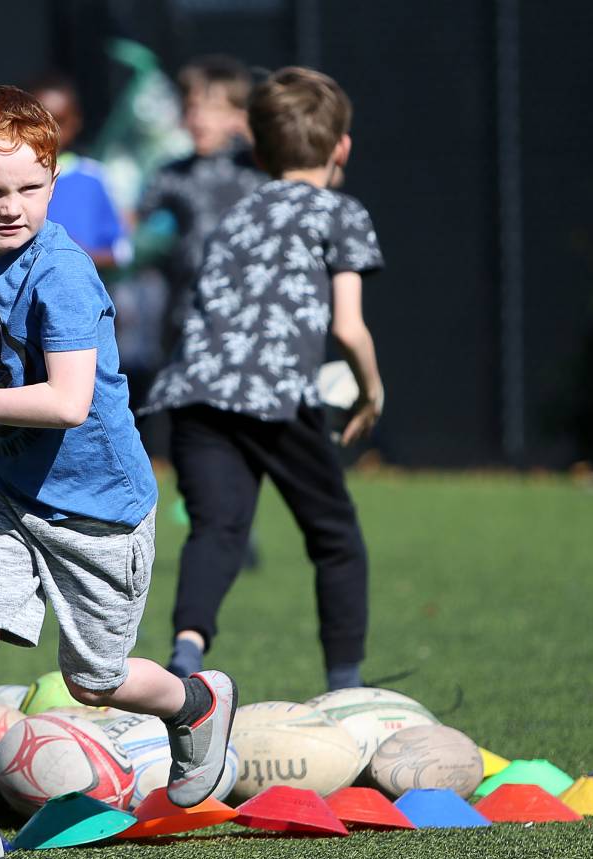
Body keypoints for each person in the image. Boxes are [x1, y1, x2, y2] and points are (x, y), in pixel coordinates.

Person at [0, 86, 239, 859]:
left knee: (94, 679)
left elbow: (68, 402)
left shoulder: (63, 274)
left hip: (97, 509)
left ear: (54, 181)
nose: (11, 208)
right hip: (13, 495)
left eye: (30, 189)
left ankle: (197, 701)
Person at [141, 67, 385, 690]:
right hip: (277, 395)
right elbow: (350, 328)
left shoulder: (236, 212)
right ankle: (346, 687)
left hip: (195, 390)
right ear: (342, 148)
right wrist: (372, 391)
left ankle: (186, 655)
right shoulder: (340, 212)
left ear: (257, 148)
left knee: (216, 529)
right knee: (335, 537)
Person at [136, 56, 268, 369]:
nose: (198, 119)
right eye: (191, 108)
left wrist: (254, 133)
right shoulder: (172, 173)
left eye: (211, 109)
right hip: (188, 312)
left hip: (250, 312)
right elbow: (133, 221)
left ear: (237, 115)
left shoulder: (255, 167)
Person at [31, 76, 127, 269]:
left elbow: (121, 250)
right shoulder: (10, 176)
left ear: (76, 122)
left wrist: (77, 256)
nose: (49, 132)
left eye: (59, 121)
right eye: (38, 122)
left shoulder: (93, 177)